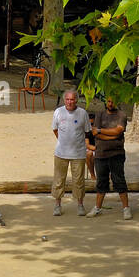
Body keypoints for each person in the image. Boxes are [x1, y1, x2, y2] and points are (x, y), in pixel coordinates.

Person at [87, 97, 132, 219]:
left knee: (119, 180)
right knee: (101, 182)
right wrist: (113, 136)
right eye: (108, 101)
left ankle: (126, 208)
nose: (110, 104)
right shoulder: (99, 114)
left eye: (113, 101)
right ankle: (97, 207)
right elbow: (95, 133)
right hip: (101, 153)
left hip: (116, 154)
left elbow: (119, 130)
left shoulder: (121, 115)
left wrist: (103, 132)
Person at [51, 89, 91, 217]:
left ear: (76, 100)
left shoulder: (82, 113)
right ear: (64, 100)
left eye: (72, 99)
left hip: (78, 153)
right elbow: (55, 129)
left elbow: (87, 131)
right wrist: (64, 141)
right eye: (67, 99)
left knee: (78, 180)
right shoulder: (58, 112)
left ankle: (80, 205)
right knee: (58, 179)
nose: (70, 102)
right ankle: (57, 204)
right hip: (61, 153)